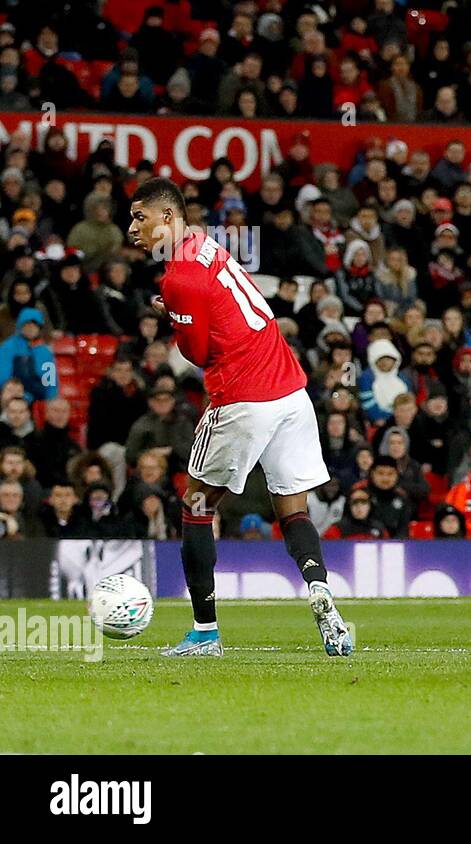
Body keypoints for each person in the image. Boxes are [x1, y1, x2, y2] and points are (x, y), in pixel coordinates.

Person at [126, 177, 351, 658]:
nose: (132, 228)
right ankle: (322, 595)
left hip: (244, 397)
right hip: (291, 391)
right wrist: (182, 310)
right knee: (292, 508)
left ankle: (204, 632)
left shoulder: (178, 277)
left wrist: (174, 316)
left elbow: (198, 351)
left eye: (139, 217)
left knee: (196, 505)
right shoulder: (204, 244)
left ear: (167, 218)